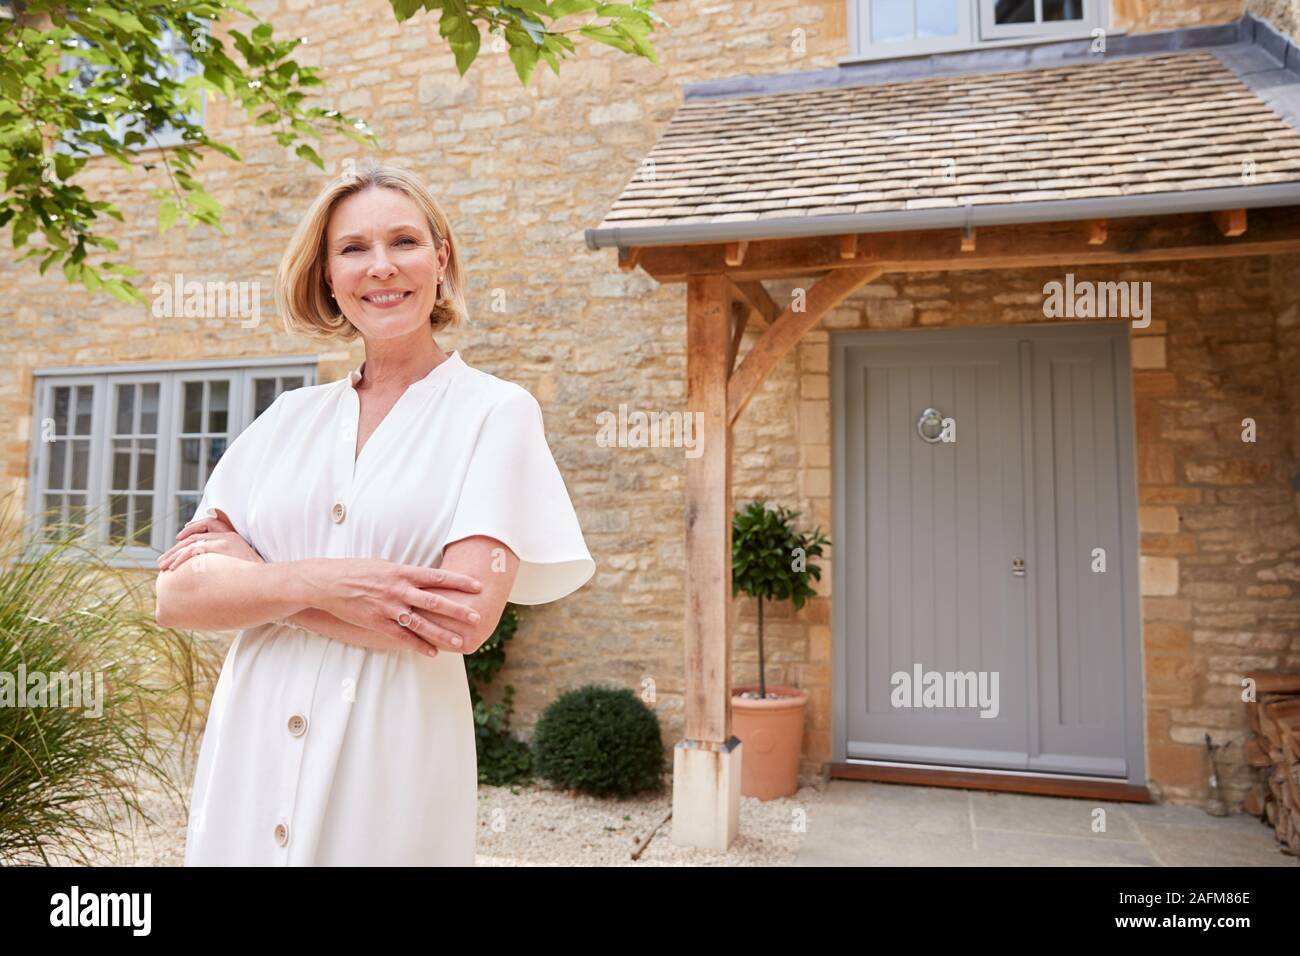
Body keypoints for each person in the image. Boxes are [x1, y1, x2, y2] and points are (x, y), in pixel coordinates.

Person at [154, 159, 595, 865]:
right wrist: (323, 585)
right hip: (252, 743)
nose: (381, 267)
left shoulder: (494, 413)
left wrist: (262, 582)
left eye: (404, 242)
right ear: (328, 276)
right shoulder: (285, 419)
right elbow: (177, 593)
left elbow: (459, 621)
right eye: (353, 249)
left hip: (392, 748)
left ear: (440, 260)